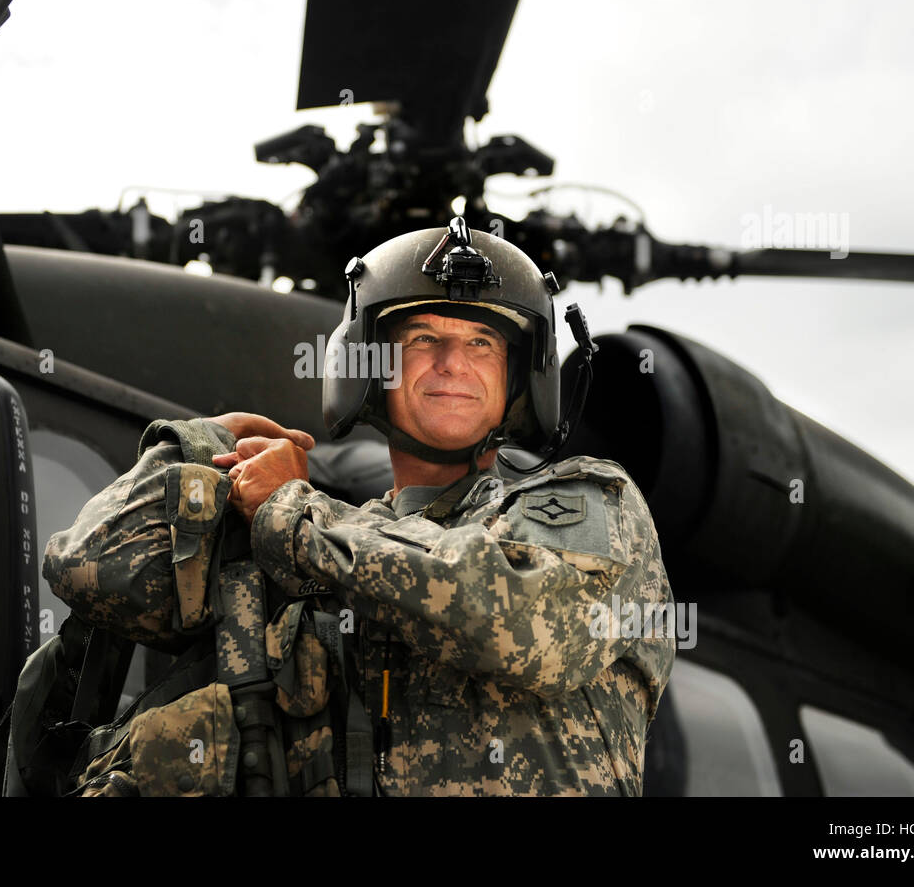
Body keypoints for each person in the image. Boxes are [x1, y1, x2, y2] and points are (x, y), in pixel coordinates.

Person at [44, 217, 675, 796]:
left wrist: (295, 515)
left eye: (483, 343)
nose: (453, 364)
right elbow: (91, 573)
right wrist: (202, 447)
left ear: (519, 379)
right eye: (423, 338)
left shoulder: (595, 503)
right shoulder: (319, 553)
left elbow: (527, 625)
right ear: (369, 368)